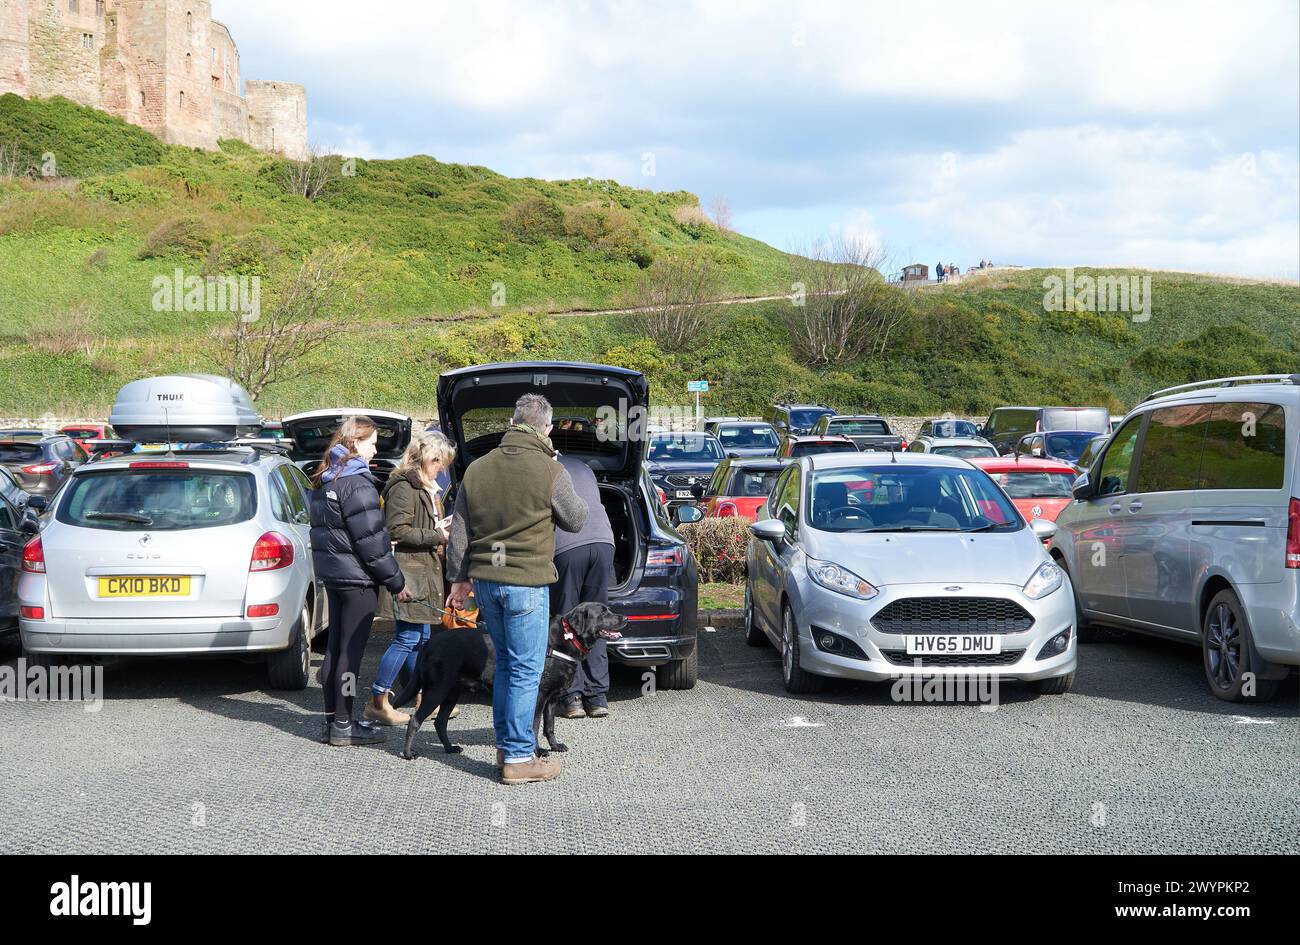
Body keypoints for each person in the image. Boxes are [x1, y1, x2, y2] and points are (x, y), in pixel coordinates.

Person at [445, 394, 588, 785]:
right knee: (526, 670)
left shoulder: (476, 468)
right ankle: (520, 758)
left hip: (488, 583)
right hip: (526, 583)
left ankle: (507, 747)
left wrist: (458, 580)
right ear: (547, 428)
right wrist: (561, 472)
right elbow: (576, 519)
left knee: (508, 666)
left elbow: (460, 529)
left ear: (511, 422)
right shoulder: (549, 470)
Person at [309, 416, 412, 747]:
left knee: (337, 652)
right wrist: (397, 582)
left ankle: (333, 722)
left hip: (335, 578)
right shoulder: (358, 483)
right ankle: (343, 724)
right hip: (357, 581)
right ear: (354, 443)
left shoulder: (328, 478)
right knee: (350, 658)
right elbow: (372, 544)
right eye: (372, 442)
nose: (376, 447)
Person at [365, 431, 457, 726]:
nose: (441, 469)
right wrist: (437, 535)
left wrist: (439, 526)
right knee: (407, 638)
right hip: (410, 572)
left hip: (423, 571)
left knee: (422, 639)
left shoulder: (426, 487)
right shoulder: (404, 486)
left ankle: (424, 698)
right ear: (424, 458)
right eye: (438, 462)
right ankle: (378, 700)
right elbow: (396, 530)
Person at [550, 453, 617, 720]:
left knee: (568, 623)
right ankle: (598, 697)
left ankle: (572, 698)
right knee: (598, 621)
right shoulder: (584, 467)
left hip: (567, 548)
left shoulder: (545, 468)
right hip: (604, 542)